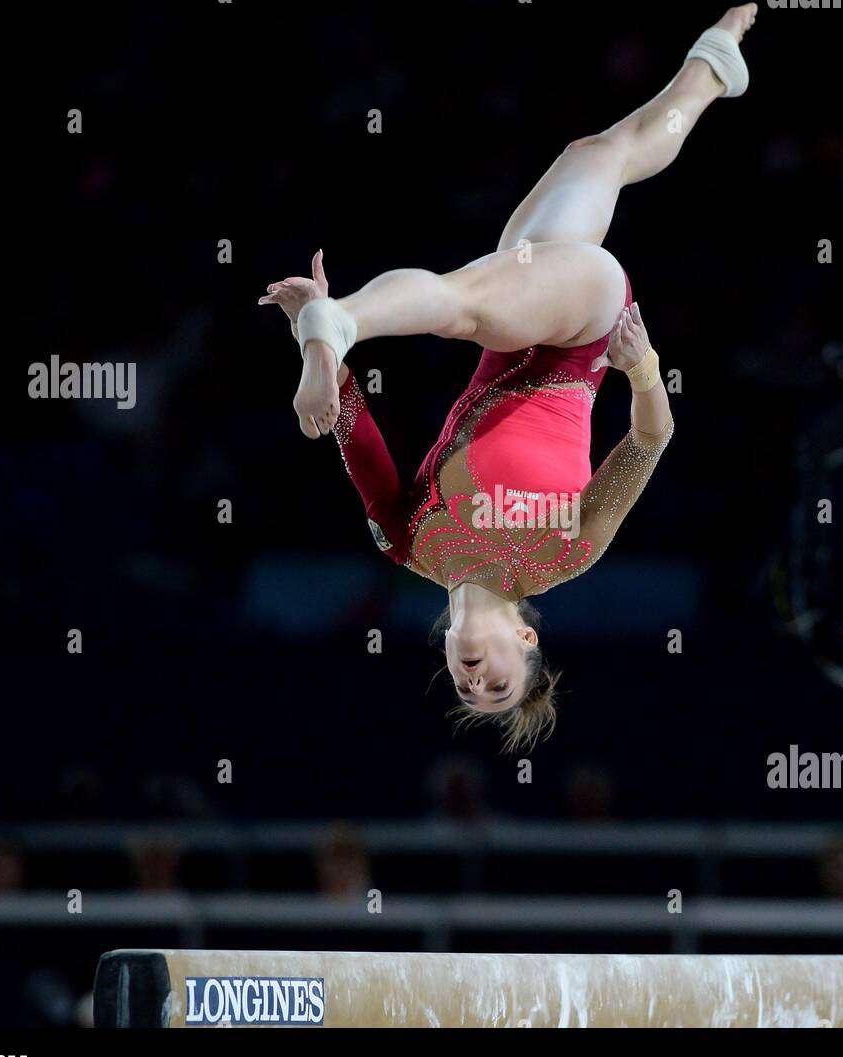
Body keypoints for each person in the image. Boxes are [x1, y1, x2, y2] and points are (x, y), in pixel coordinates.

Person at [261, 7, 759, 750]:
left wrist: (331, 391)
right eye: (499, 685)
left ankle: (713, 68)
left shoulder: (408, 545)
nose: (476, 680)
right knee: (462, 310)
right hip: (587, 326)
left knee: (600, 152)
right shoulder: (567, 555)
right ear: (527, 644)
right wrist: (644, 367)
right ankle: (340, 323)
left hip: (526, 306)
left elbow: (357, 436)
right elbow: (652, 440)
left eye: (466, 688)